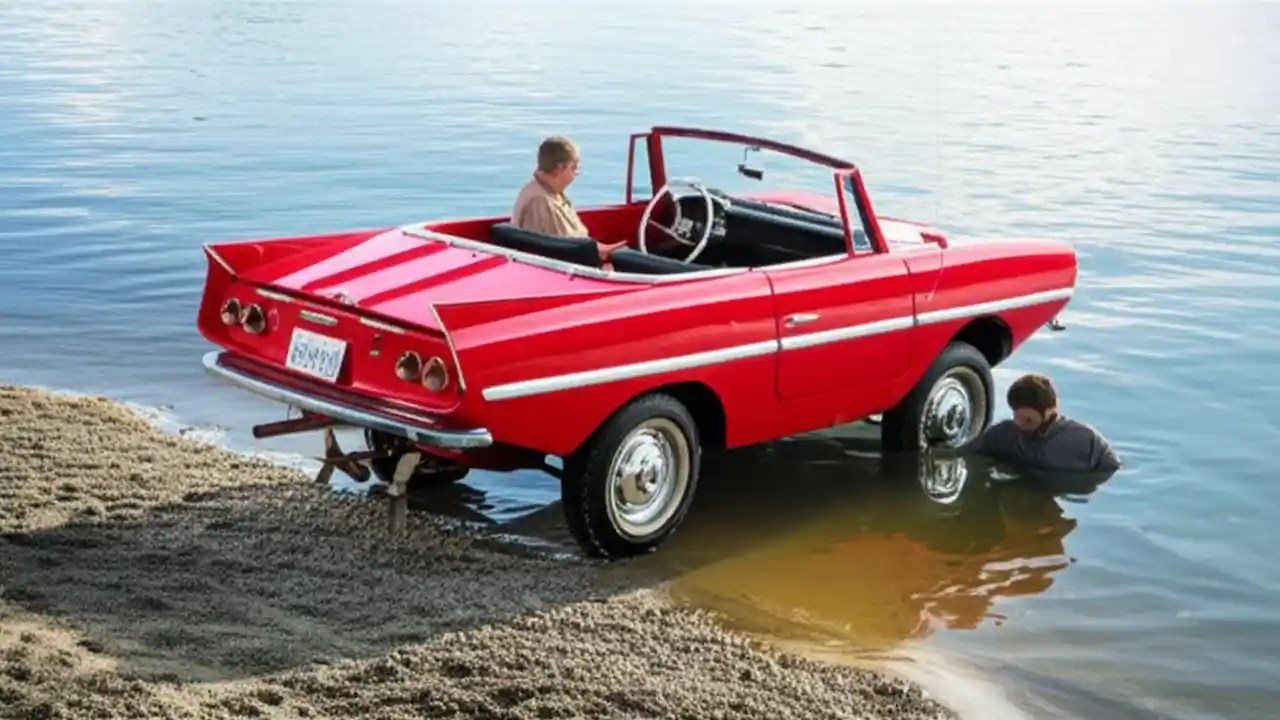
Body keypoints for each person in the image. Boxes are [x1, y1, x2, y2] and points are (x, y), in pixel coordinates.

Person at [958, 372, 1121, 474]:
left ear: (1049, 413)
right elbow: (966, 452)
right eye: (1016, 417)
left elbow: (1111, 469)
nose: (1019, 424)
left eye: (1028, 420)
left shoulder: (1087, 442)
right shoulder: (1002, 435)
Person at [511, 135, 624, 265]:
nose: (577, 173)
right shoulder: (541, 202)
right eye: (574, 167)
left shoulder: (550, 192)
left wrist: (599, 249)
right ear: (559, 168)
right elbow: (556, 254)